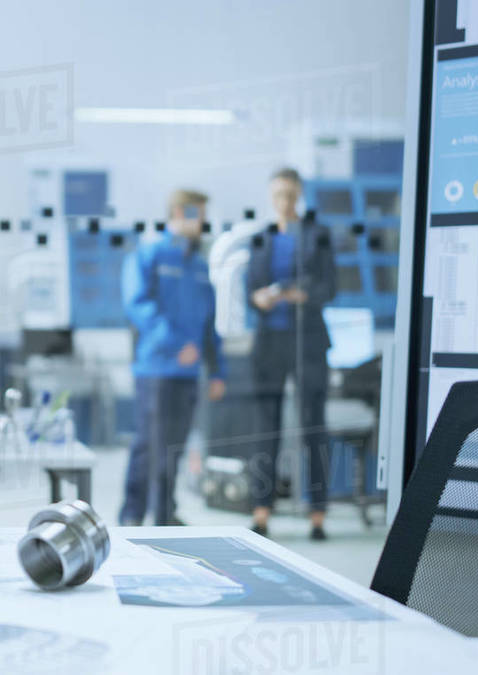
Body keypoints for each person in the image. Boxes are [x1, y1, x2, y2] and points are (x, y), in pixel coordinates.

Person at [119, 189, 227, 527]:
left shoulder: (198, 265)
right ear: (179, 212)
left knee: (174, 447)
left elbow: (210, 323)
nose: (203, 221)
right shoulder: (150, 255)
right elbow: (138, 305)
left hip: (188, 374)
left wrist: (217, 370)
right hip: (156, 369)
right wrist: (175, 342)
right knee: (149, 446)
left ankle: (164, 512)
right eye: (199, 213)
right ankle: (133, 516)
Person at [246, 167, 335, 540]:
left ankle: (317, 513)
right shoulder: (261, 239)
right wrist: (259, 298)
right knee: (267, 426)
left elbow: (330, 286)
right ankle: (262, 511)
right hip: (271, 342)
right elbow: (249, 289)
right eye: (279, 193)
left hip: (308, 341)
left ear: (299, 195)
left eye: (290, 194)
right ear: (271, 196)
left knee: (313, 424)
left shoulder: (319, 234)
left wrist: (304, 295)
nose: (284, 201)